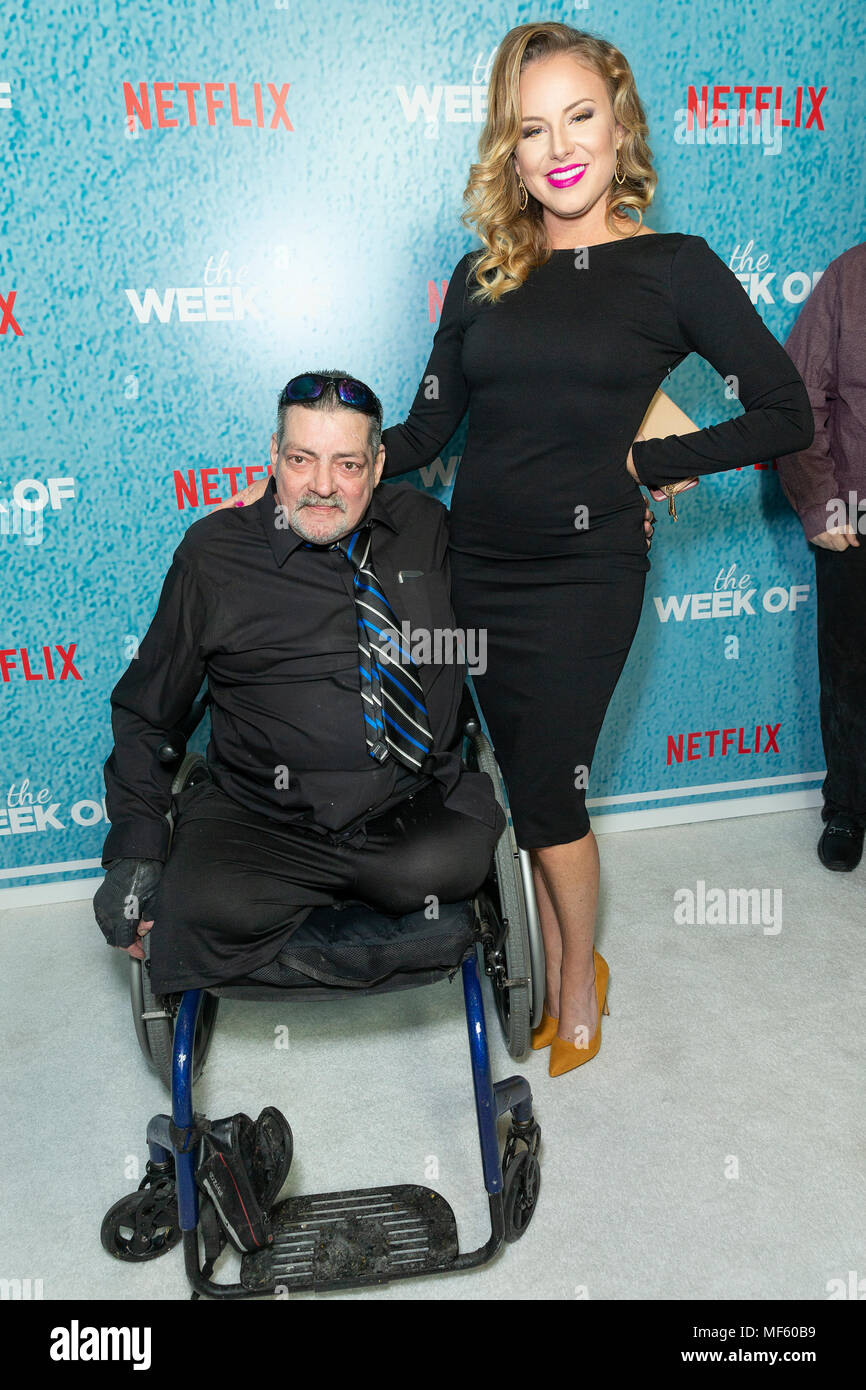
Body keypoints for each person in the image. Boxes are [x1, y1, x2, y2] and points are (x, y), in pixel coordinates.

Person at [223, 22, 814, 1076]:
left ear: (619, 122)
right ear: (508, 147)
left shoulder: (670, 269)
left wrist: (648, 461)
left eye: (578, 116)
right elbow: (424, 434)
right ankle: (553, 957)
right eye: (530, 128)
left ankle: (579, 975)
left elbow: (783, 412)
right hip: (476, 570)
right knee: (531, 792)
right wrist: (327, 458)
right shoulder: (480, 272)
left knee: (548, 795)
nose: (558, 146)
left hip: (585, 578)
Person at [93, 372, 505, 994]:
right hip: (261, 820)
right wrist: (136, 846)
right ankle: (392, 944)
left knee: (454, 860)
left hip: (407, 814)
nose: (320, 486)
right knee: (185, 910)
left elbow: (524, 572)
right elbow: (149, 713)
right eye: (301, 459)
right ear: (273, 456)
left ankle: (292, 943)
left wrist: (610, 510)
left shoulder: (426, 527)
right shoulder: (214, 556)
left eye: (347, 464)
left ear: (378, 462)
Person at [776, 242, 866, 872]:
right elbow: (800, 397)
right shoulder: (850, 277)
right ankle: (849, 807)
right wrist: (820, 503)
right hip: (857, 522)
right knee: (851, 674)